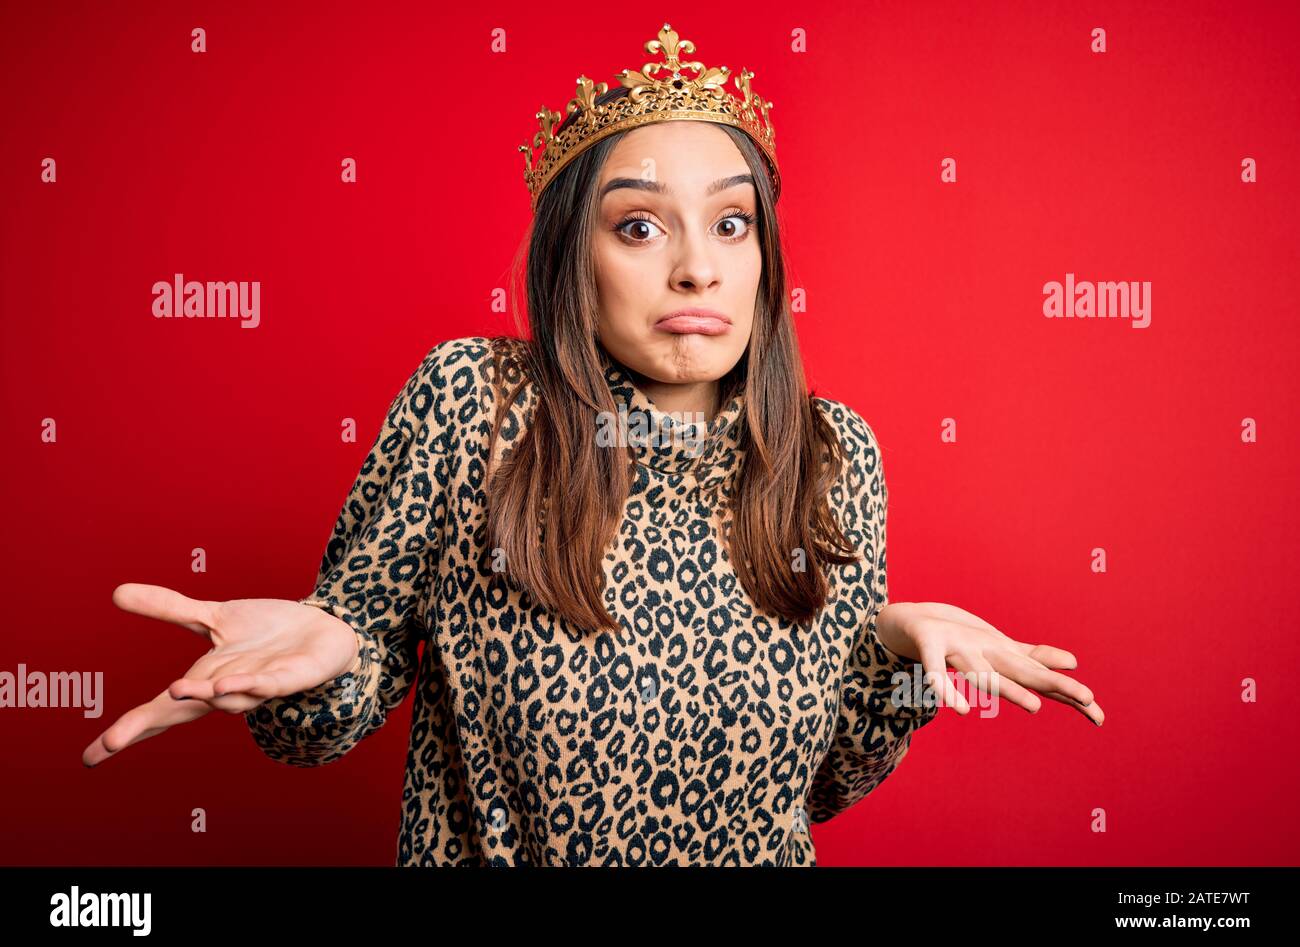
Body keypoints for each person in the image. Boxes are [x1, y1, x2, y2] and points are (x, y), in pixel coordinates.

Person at [82, 23, 1104, 866]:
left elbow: (823, 783)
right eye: (641, 227)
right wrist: (323, 658)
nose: (697, 268)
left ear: (764, 256)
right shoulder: (470, 403)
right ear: (575, 255)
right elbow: (326, 713)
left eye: (732, 224)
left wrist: (894, 657)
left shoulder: (833, 455)